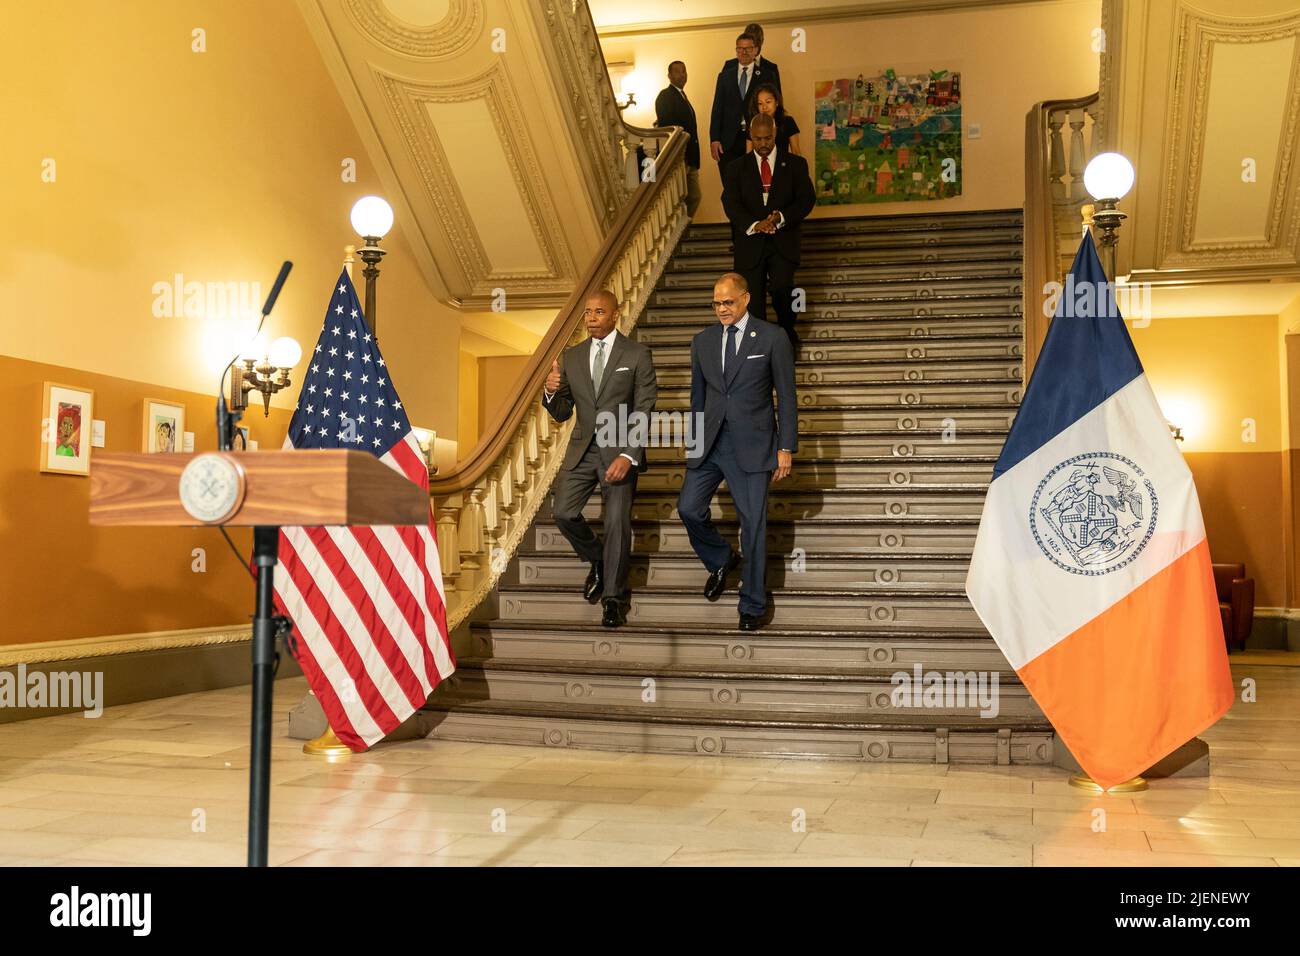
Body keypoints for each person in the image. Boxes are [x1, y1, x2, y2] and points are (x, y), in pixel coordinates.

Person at [677, 272, 797, 632]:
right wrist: (694, 441)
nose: (721, 309)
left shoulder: (773, 337)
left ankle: (753, 603)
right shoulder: (702, 341)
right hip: (711, 443)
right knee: (688, 508)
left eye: (727, 302)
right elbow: (698, 399)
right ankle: (722, 558)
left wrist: (786, 446)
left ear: (745, 299)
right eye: (716, 303)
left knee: (753, 524)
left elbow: (786, 397)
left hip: (754, 444)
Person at [543, 291, 658, 628]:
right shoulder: (572, 357)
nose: (591, 317)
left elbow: (645, 407)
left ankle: (613, 598)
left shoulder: (636, 354)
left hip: (619, 450)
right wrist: (550, 391)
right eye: (588, 312)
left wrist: (629, 454)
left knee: (617, 524)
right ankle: (598, 558)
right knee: (563, 512)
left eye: (599, 312)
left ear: (614, 315)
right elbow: (563, 410)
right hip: (582, 448)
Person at [722, 112, 817, 352]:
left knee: (786, 291)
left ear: (775, 134)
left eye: (767, 138)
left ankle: (788, 336)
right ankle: (760, 346)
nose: (763, 144)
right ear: (751, 137)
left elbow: (807, 199)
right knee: (751, 300)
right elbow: (731, 203)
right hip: (750, 245)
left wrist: (782, 217)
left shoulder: (796, 164)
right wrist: (755, 224)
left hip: (783, 243)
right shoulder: (736, 168)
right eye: (758, 139)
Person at [709, 32, 775, 175]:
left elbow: (772, 107)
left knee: (753, 183)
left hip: (756, 137)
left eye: (748, 48)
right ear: (736, 50)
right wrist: (714, 139)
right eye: (740, 48)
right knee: (730, 187)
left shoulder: (766, 75)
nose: (744, 52)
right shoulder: (725, 76)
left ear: (756, 50)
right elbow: (717, 108)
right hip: (728, 141)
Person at [654, 60, 702, 219]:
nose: (682, 75)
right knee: (678, 197)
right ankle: (680, 231)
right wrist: (679, 154)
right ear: (669, 75)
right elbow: (668, 126)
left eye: (684, 71)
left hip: (690, 157)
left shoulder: (682, 96)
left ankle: (684, 228)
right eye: (677, 71)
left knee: (694, 196)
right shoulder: (665, 96)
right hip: (679, 157)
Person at [745, 84, 801, 155]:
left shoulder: (788, 121)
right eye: (760, 103)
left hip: (782, 164)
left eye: (768, 102)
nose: (764, 107)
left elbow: (796, 151)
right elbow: (749, 153)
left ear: (776, 102)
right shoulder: (753, 124)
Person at [743, 22, 781, 94]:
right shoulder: (731, 66)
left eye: (757, 40)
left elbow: (777, 99)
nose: (754, 45)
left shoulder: (771, 68)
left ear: (762, 41)